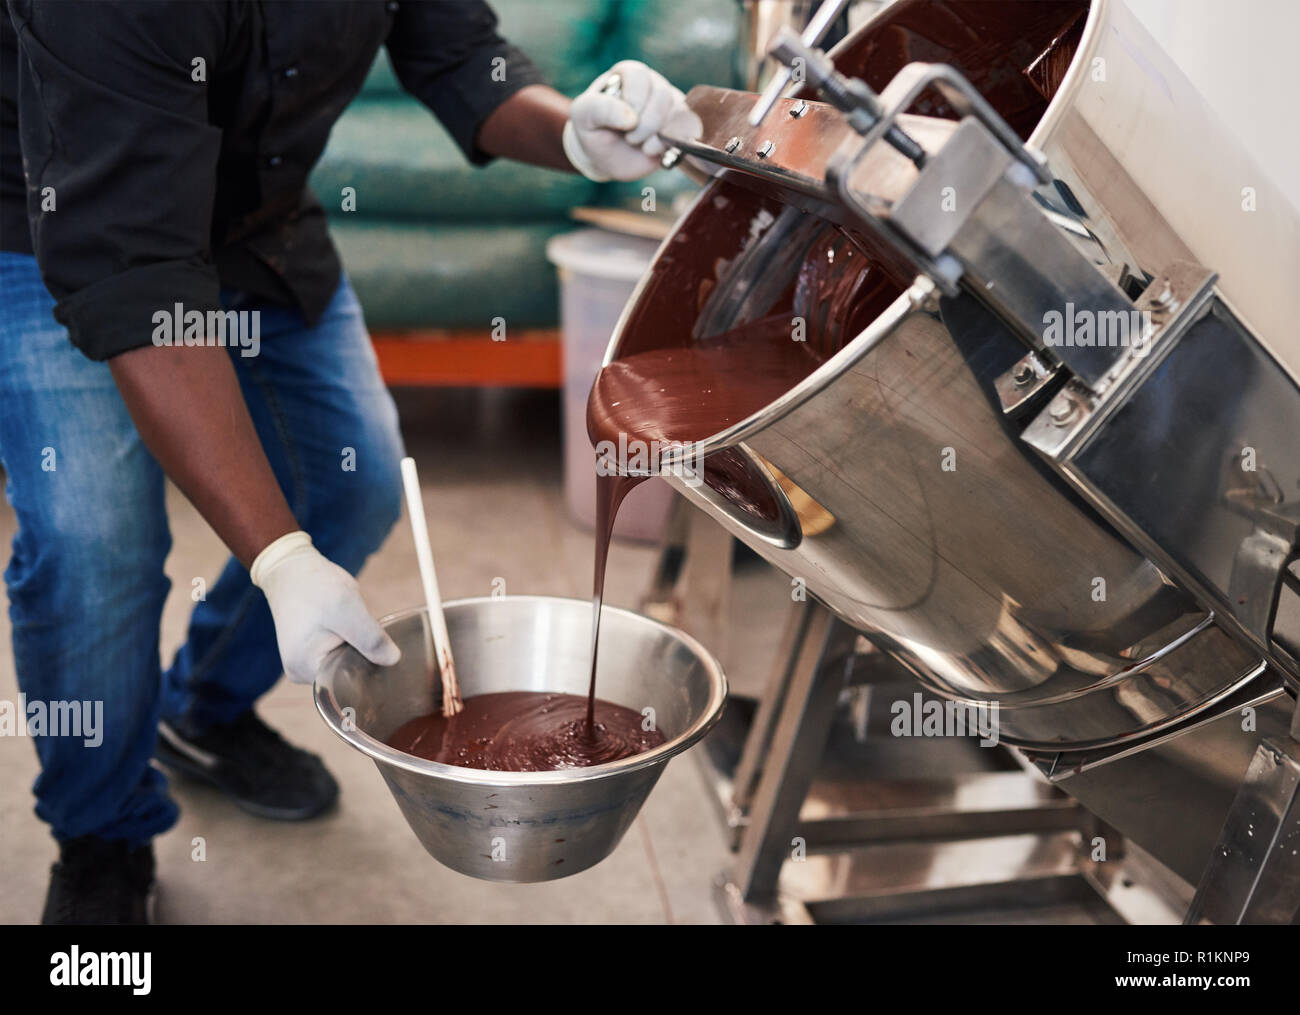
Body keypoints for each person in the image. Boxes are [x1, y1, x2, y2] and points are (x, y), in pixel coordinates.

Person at [0, 0, 701, 924]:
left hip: (258, 222)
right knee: (97, 545)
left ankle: (201, 709)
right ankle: (102, 835)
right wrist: (279, 559)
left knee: (356, 479)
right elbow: (136, 270)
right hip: (65, 223)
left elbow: (459, 57)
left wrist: (572, 130)